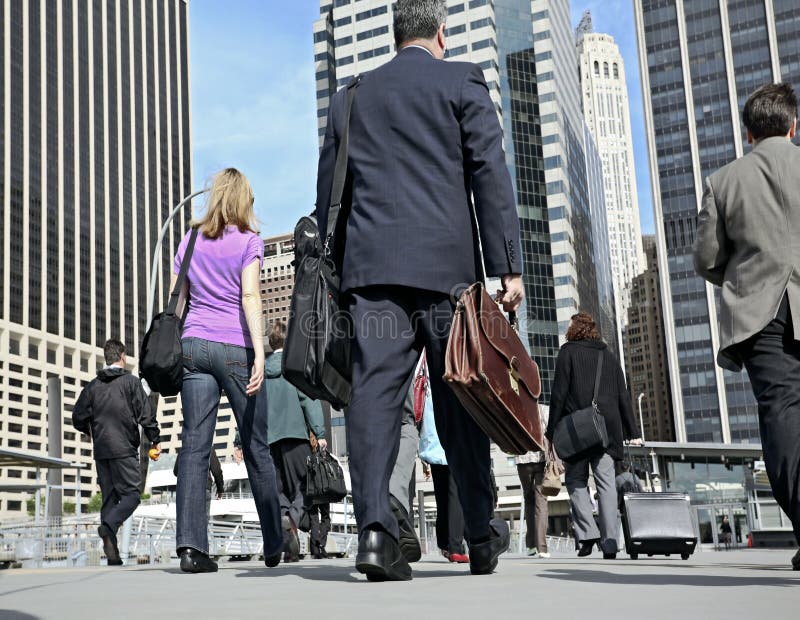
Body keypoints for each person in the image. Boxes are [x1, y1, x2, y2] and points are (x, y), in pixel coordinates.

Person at [315, 0, 522, 581]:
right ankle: (479, 536)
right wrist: (507, 266)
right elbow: (489, 171)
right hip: (447, 276)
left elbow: (330, 190)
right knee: (460, 395)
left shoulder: (351, 96)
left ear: (393, 34)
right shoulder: (461, 80)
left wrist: (337, 275)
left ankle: (376, 534)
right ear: (440, 33)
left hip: (372, 273)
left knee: (374, 398)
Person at [694, 81, 800, 572]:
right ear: (792, 124)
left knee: (781, 420)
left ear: (748, 130)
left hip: (764, 315)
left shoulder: (724, 181)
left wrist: (741, 271)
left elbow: (706, 259)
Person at [172, 167, 282, 573]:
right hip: (235, 347)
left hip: (194, 347)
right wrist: (259, 351)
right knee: (256, 446)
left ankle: (191, 548)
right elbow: (251, 294)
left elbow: (177, 301)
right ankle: (274, 543)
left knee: (194, 446)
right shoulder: (250, 242)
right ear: (244, 201)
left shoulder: (189, 239)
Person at [546, 313, 641, 560]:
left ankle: (588, 535)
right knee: (607, 485)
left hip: (578, 429)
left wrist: (551, 431)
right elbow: (623, 395)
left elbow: (558, 393)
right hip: (607, 430)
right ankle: (610, 541)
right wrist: (633, 432)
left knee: (576, 481)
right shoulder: (608, 356)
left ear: (575, 330)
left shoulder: (567, 353)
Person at [72, 339, 160, 566]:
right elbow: (145, 414)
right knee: (132, 495)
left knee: (109, 499)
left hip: (101, 450)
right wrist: (155, 439)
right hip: (123, 447)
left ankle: (112, 554)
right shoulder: (131, 382)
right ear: (122, 356)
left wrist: (88, 431)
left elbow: (78, 417)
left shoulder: (92, 386)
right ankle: (108, 527)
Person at [264, 321, 327, 563]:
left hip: (270, 442)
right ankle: (291, 519)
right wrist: (319, 434)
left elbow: (251, 407)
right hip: (296, 438)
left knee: (278, 490)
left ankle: (288, 541)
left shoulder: (260, 371)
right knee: (306, 486)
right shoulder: (294, 369)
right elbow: (309, 400)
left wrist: (240, 441)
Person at [418, 392, 469, 563]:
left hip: (432, 439)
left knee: (441, 494)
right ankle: (455, 546)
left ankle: (445, 543)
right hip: (452, 436)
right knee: (456, 493)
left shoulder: (425, 371)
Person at [173, 449, 224, 523]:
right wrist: (220, 489)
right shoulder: (209, 448)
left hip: (187, 489)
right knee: (203, 522)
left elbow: (176, 471)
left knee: (187, 522)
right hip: (204, 487)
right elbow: (217, 471)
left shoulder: (184, 447)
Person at [307, 432, 332, 559]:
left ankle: (315, 549)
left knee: (314, 519)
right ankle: (321, 544)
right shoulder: (322, 451)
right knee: (326, 518)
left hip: (310, 491)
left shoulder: (306, 452)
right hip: (323, 490)